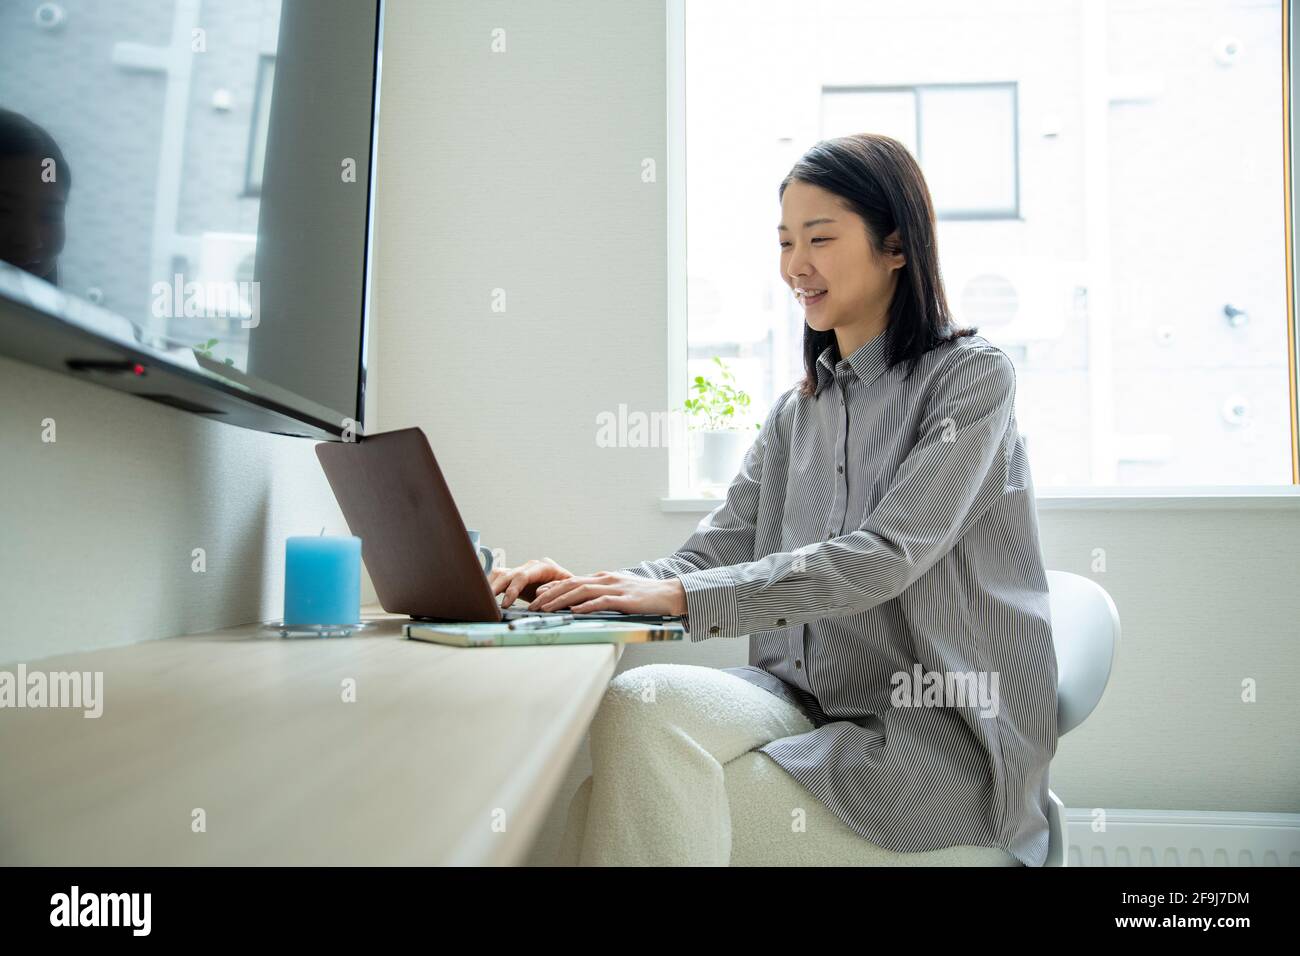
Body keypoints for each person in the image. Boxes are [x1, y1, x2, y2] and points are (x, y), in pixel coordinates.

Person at [489, 132, 1058, 867]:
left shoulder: (970, 381)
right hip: (801, 707)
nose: (797, 265)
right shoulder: (800, 412)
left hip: (929, 751)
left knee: (597, 805)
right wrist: (585, 589)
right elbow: (711, 554)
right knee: (640, 709)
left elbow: (885, 558)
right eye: (786, 241)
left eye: (820, 238)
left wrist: (680, 596)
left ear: (896, 246)